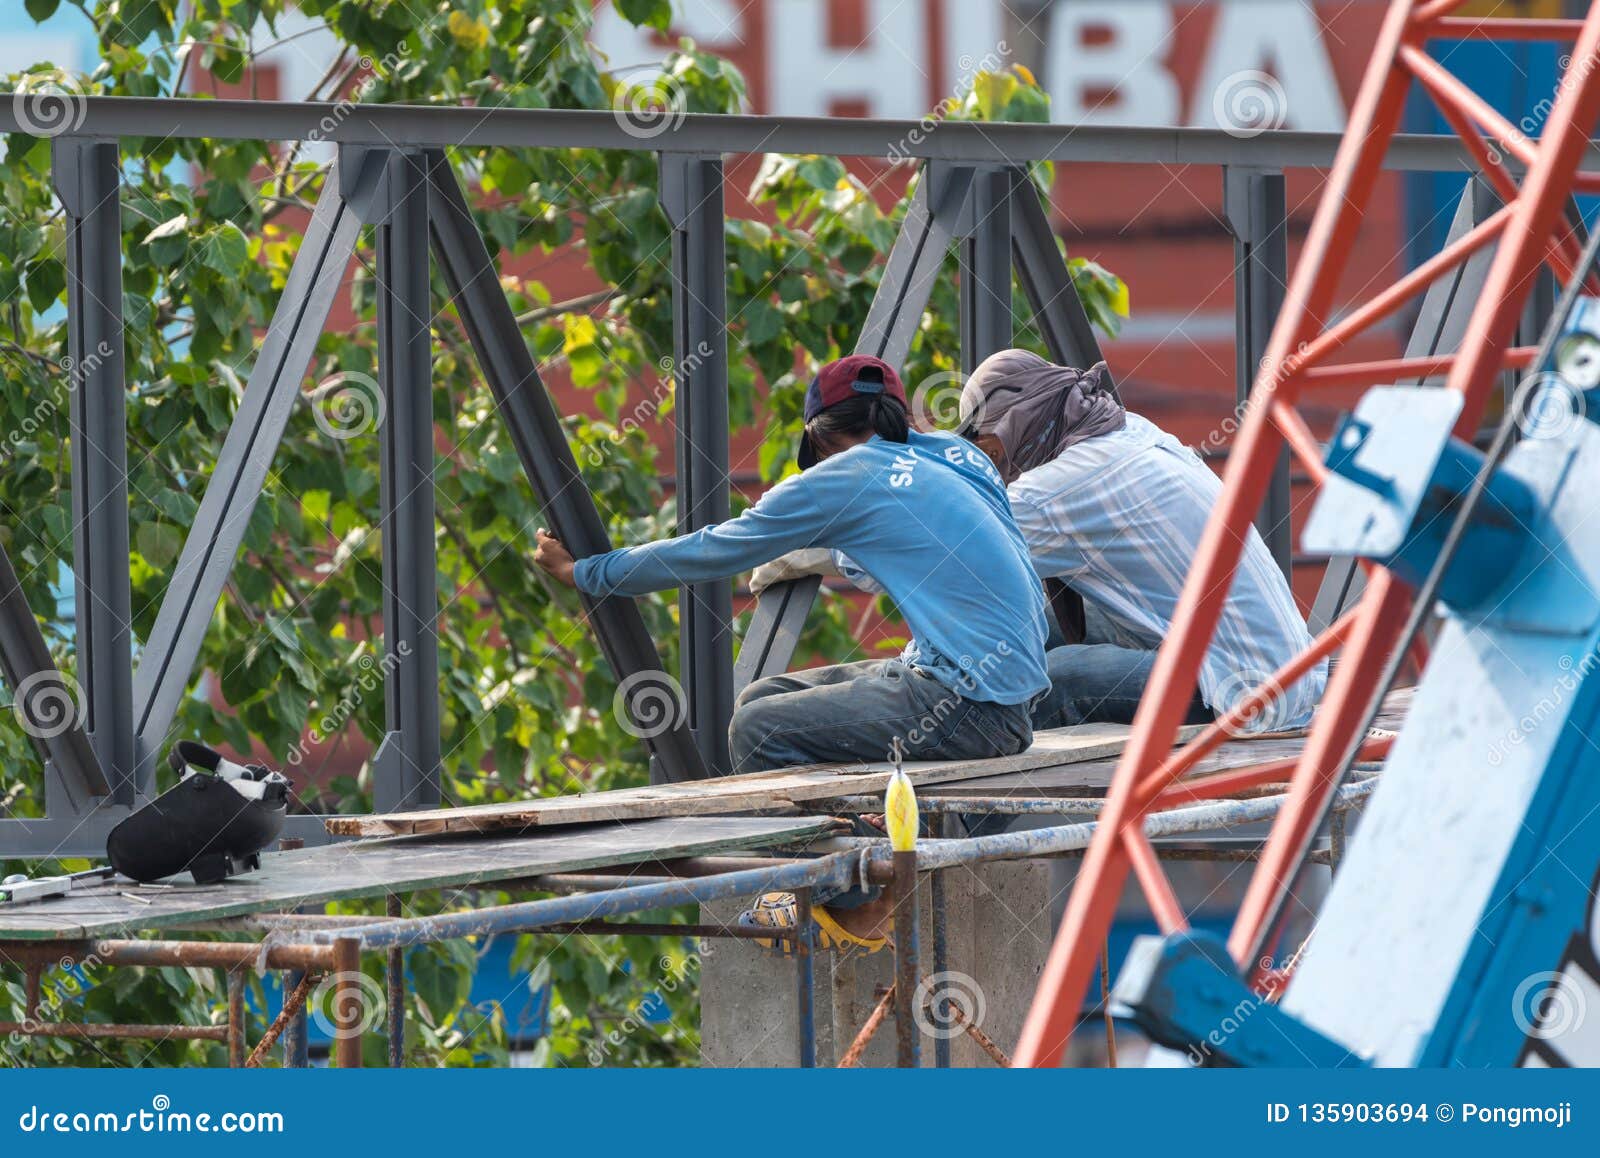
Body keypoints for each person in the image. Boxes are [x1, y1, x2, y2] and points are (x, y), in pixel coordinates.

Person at [534, 353, 1049, 947]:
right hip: (1010, 694)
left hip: (971, 706)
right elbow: (929, 548)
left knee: (758, 732)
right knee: (767, 696)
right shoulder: (957, 456)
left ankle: (860, 888)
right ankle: (863, 837)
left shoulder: (847, 474)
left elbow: (714, 549)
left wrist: (585, 574)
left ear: (822, 438)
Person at [945, 347, 1326, 733]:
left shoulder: (1060, 485)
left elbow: (946, 555)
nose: (996, 471)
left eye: (993, 453)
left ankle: (945, 732)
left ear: (1018, 425)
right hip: (1289, 670)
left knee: (1058, 679)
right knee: (1035, 624)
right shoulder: (1126, 429)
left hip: (1245, 693)